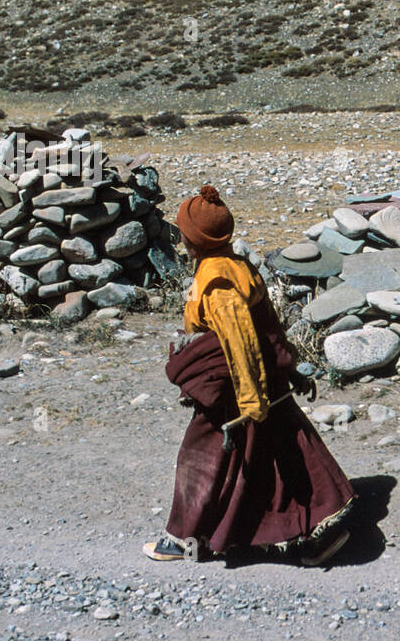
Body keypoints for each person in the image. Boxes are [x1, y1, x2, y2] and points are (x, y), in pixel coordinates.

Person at [144, 185, 355, 565]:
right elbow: (270, 328)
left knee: (200, 460)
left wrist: (250, 403)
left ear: (197, 240)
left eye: (185, 234)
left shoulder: (219, 282)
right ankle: (312, 541)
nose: (181, 240)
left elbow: (241, 343)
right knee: (280, 463)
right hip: (260, 386)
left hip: (235, 394)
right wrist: (287, 369)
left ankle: (183, 539)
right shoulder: (233, 264)